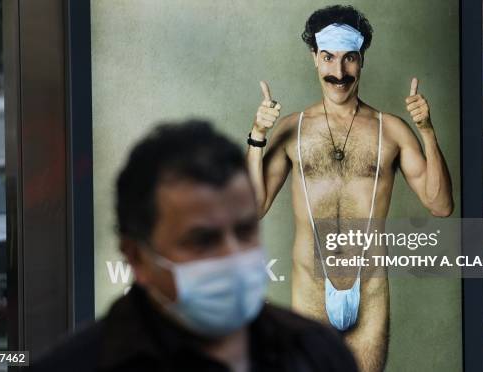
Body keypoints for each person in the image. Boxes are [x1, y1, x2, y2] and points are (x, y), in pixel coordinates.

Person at [31, 120, 358, 372]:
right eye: (203, 241)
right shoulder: (78, 366)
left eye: (245, 231)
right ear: (136, 258)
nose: (232, 255)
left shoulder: (317, 353)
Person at [246, 5, 453, 372]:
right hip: (310, 292)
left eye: (349, 59)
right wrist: (257, 138)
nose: (338, 72)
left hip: (369, 292)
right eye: (328, 58)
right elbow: (253, 207)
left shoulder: (391, 130)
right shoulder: (292, 130)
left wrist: (426, 130)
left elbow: (440, 205)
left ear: (362, 61)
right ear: (314, 58)